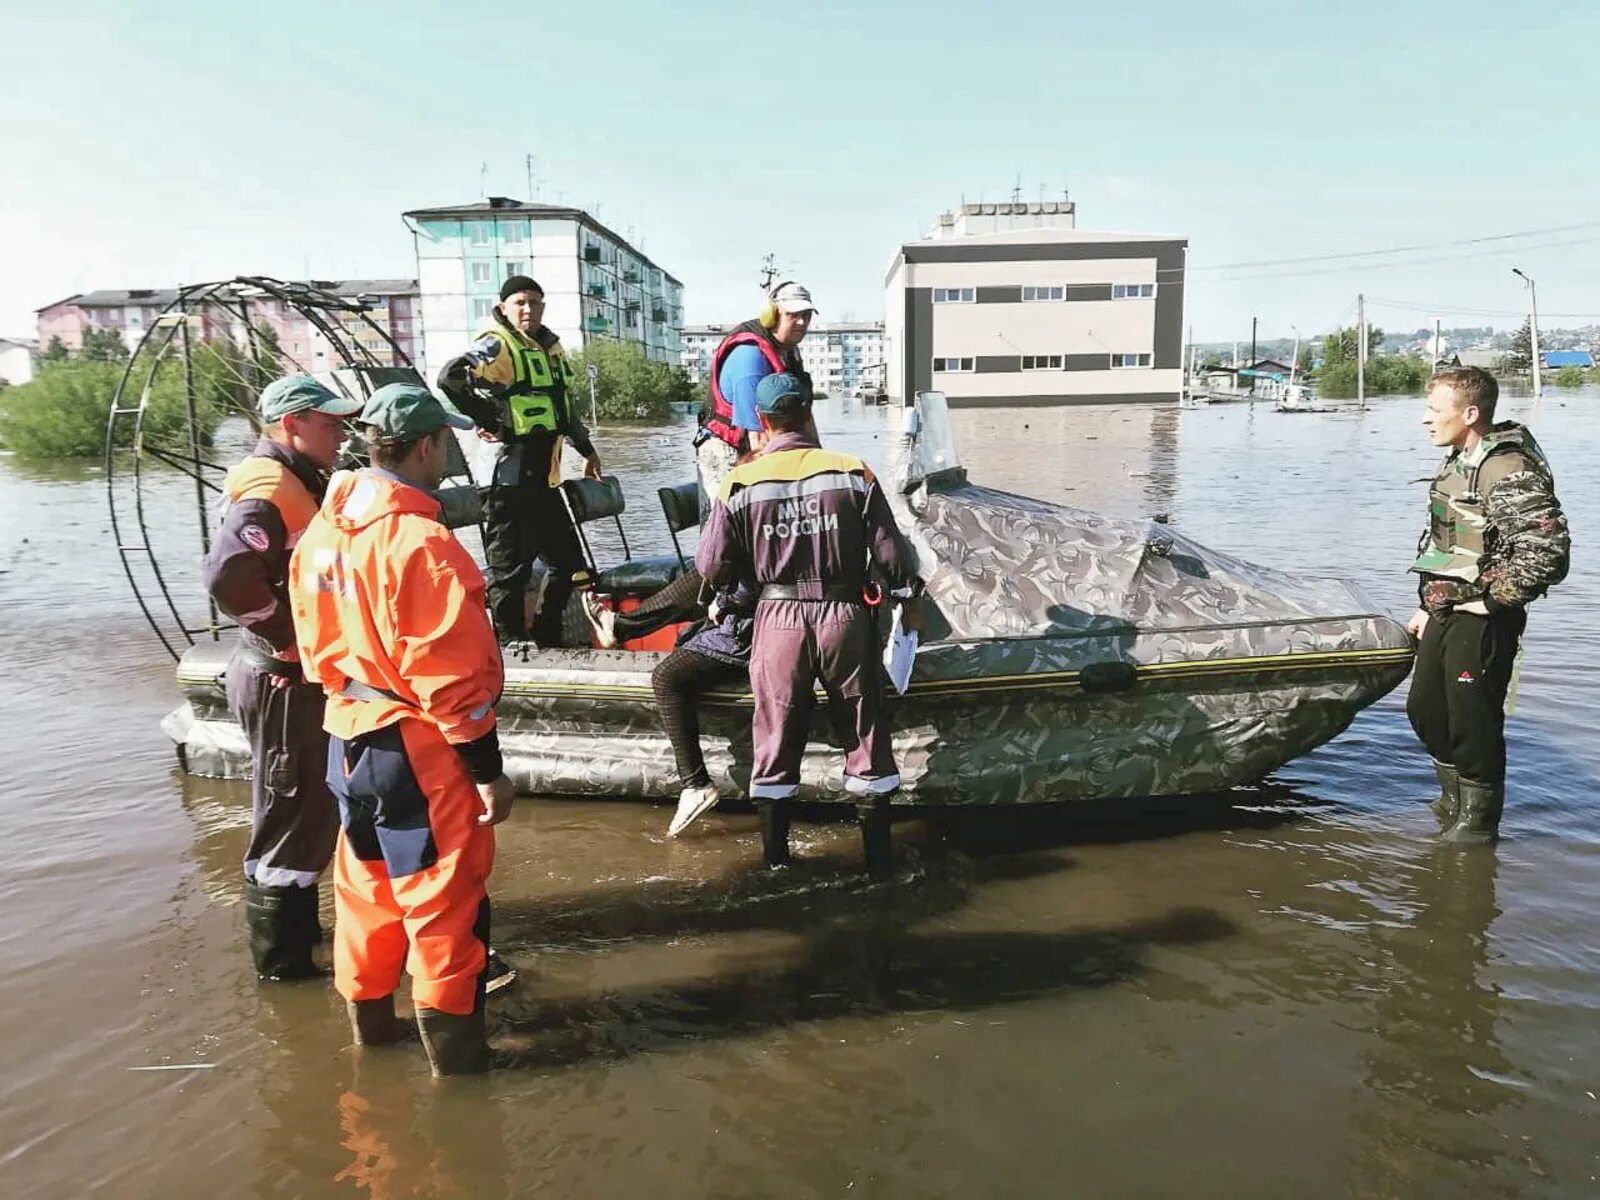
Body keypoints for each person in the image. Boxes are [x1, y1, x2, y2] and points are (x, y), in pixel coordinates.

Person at [290, 382, 514, 1076]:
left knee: (367, 896)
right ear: (425, 446)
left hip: (349, 738)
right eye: (443, 441)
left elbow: (311, 643)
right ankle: (461, 1080)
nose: (447, 452)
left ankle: (373, 1048)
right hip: (419, 746)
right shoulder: (423, 543)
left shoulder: (323, 533)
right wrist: (487, 770)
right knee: (446, 907)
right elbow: (450, 677)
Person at [697, 372, 924, 869]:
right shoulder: (851, 470)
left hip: (776, 619)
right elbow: (893, 556)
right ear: (808, 412)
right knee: (863, 731)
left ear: (762, 421)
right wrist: (907, 599)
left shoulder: (739, 481)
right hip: (844, 616)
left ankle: (777, 865)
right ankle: (879, 866)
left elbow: (710, 565)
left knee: (775, 733)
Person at [203, 375, 363, 980]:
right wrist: (289, 639)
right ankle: (283, 969)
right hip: (281, 680)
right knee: (288, 814)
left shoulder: (303, 478)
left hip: (300, 678)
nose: (341, 431)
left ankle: (300, 942)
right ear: (291, 424)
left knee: (309, 812)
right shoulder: (268, 489)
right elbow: (227, 578)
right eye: (330, 422)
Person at [1405, 367, 1568, 843]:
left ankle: (1476, 825)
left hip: (1483, 615)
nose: (1426, 419)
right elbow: (1445, 537)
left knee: (1472, 716)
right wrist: (1425, 602)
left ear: (1469, 413)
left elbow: (1548, 548)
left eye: (1435, 409)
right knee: (1426, 710)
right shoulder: (1461, 458)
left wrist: (1495, 601)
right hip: (1445, 606)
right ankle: (1451, 800)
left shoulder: (1505, 465)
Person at [437, 274, 602, 645]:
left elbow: (562, 408)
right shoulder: (497, 346)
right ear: (504, 308)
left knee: (569, 566)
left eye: (535, 302)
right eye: (521, 303)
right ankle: (511, 646)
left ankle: (545, 634)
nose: (529, 309)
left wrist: (587, 451)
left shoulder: (550, 348)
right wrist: (491, 420)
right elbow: (450, 378)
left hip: (545, 480)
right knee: (509, 573)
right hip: (505, 483)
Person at [695, 281, 817, 519]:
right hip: (728, 452)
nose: (802, 322)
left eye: (806, 315)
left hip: (767, 446)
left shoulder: (789, 351)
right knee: (730, 527)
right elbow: (759, 440)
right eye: (793, 315)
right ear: (772, 315)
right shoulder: (748, 360)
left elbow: (805, 420)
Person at [651, 583, 756, 837]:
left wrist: (722, 601)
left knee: (666, 677)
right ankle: (618, 624)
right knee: (698, 578)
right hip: (802, 617)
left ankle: (695, 783)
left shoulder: (748, 543)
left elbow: (749, 575)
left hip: (756, 627)